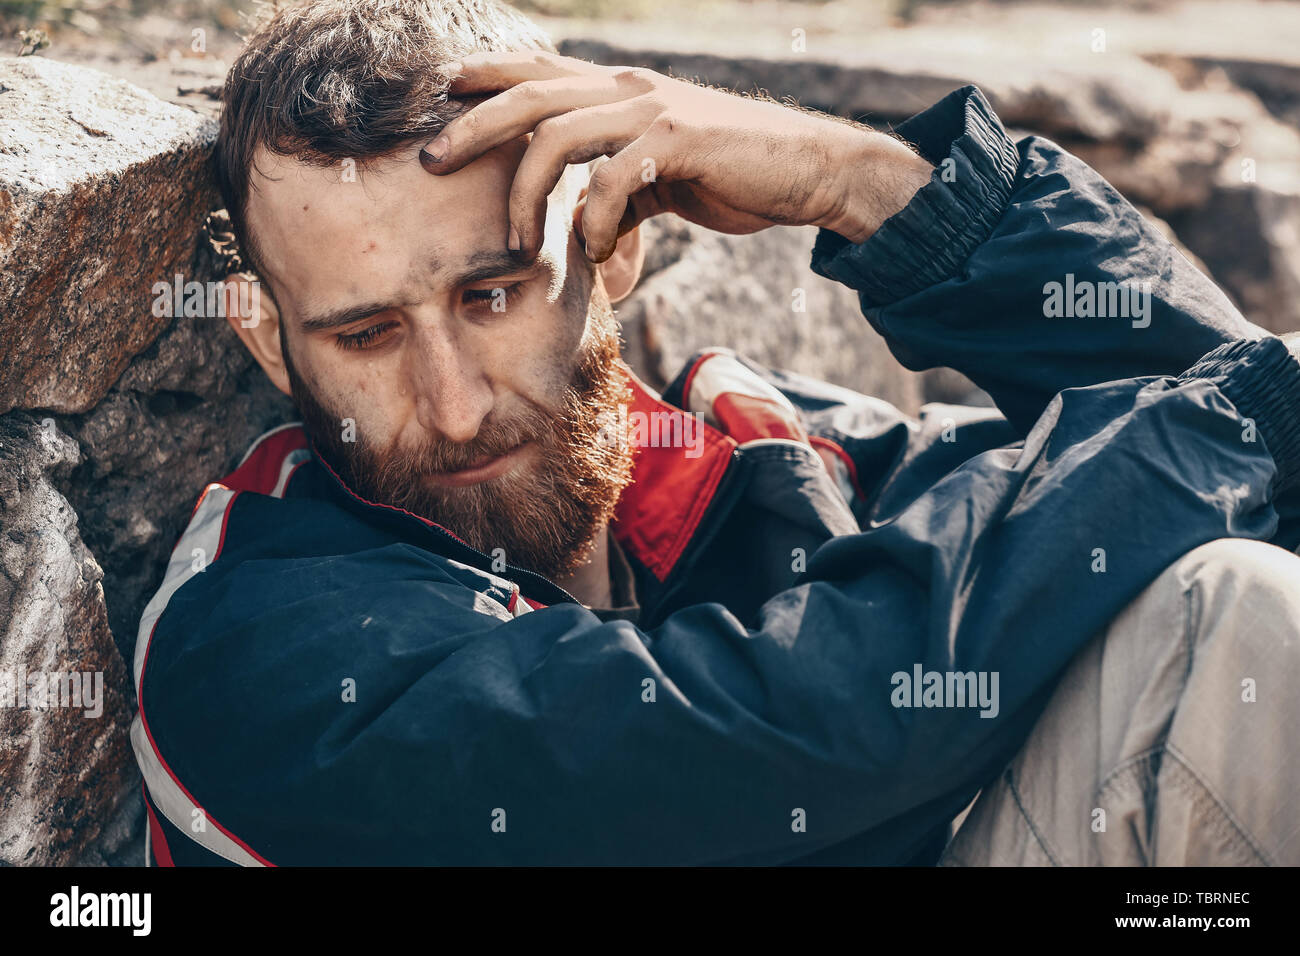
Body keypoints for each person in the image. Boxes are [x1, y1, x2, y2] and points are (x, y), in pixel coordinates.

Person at [130, 0, 1300, 866]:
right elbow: (786, 727)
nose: (454, 404)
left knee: (1236, 600)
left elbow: (1263, 466)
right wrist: (1244, 411)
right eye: (366, 335)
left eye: (491, 297)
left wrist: (873, 184)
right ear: (273, 345)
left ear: (615, 246)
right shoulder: (257, 640)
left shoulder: (763, 452)